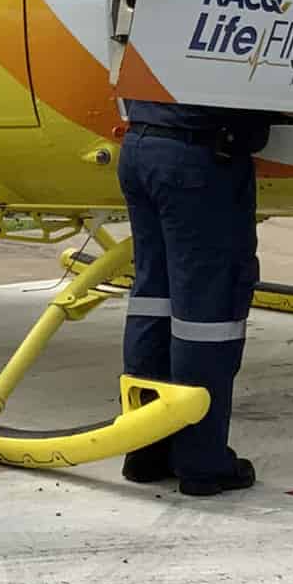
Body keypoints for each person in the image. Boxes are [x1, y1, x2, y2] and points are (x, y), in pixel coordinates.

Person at [116, 96, 271, 497]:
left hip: (139, 146)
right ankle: (203, 463)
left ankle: (145, 447)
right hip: (198, 157)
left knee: (154, 297)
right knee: (208, 316)